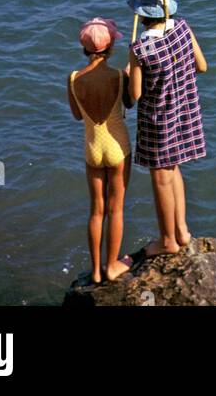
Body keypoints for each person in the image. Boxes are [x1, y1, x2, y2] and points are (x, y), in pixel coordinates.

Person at [127, 0, 207, 256]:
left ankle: (167, 241)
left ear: (142, 14)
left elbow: (135, 94)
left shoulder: (140, 49)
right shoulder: (183, 28)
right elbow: (202, 66)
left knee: (161, 176)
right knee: (174, 170)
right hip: (184, 112)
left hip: (157, 119)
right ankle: (182, 231)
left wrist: (130, 70)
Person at [67, 17, 133, 284]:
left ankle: (95, 271)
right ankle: (112, 266)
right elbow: (129, 103)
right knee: (116, 209)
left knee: (96, 211)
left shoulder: (73, 79)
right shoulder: (118, 76)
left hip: (92, 148)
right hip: (117, 146)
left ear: (85, 49)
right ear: (109, 48)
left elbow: (76, 116)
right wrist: (129, 75)